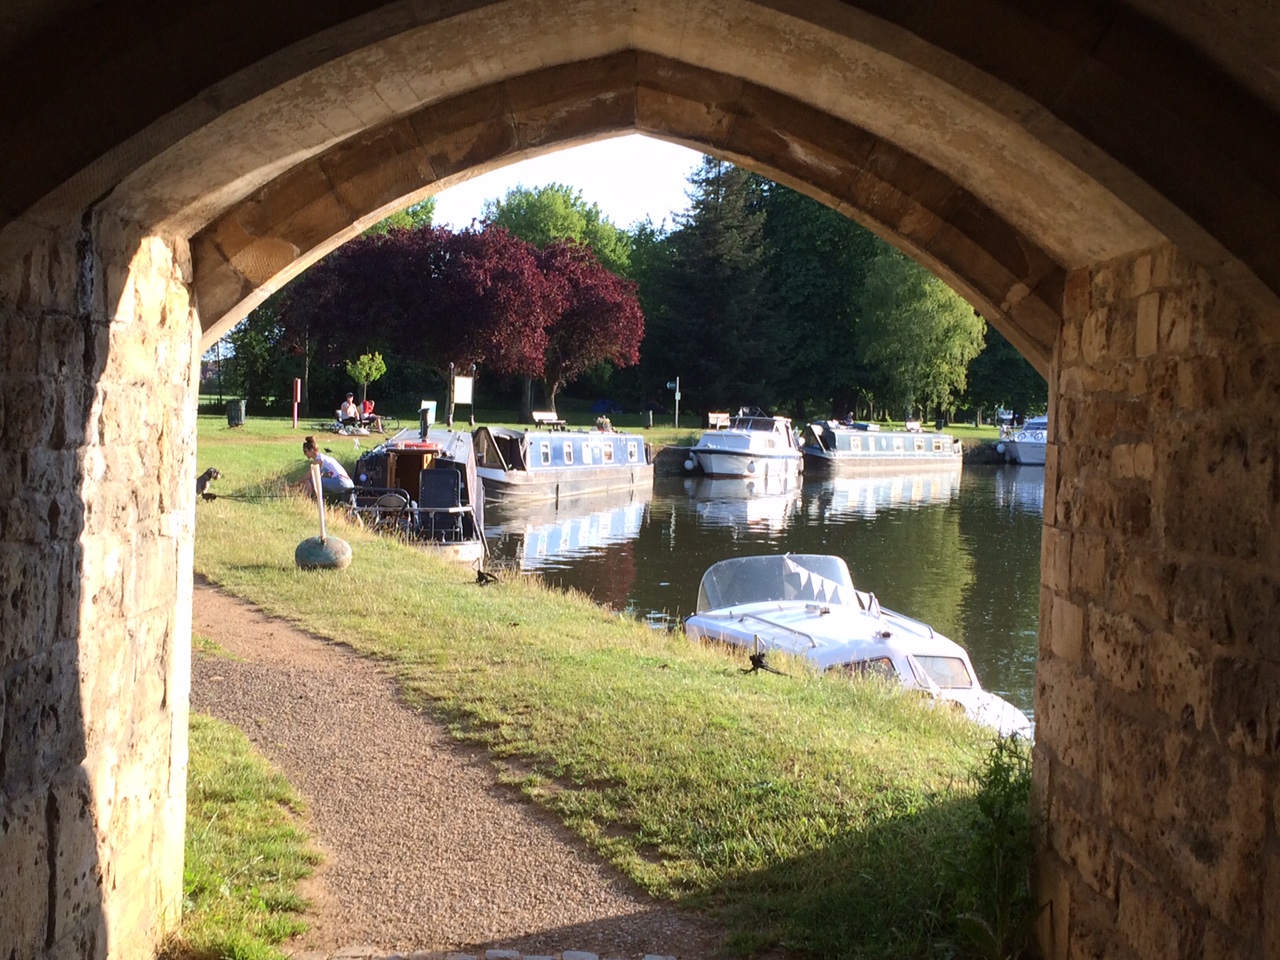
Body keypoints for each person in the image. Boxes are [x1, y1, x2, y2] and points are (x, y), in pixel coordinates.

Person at [301, 435, 354, 501]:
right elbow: (318, 476)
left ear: (311, 450)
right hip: (349, 483)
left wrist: (296, 484)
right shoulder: (324, 458)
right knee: (316, 482)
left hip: (340, 482)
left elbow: (308, 476)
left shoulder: (318, 460)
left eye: (305, 451)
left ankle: (307, 502)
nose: (304, 454)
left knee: (310, 481)